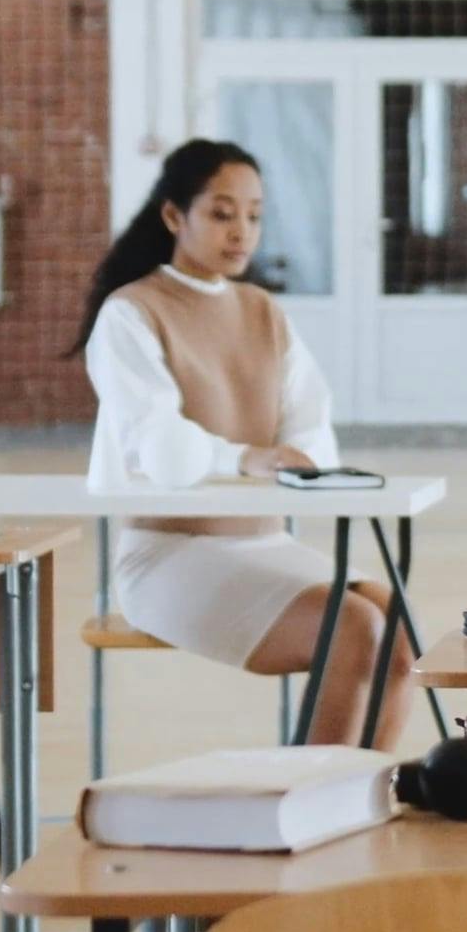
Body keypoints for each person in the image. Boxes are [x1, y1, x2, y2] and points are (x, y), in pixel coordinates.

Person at [73, 138, 411, 747]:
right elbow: (159, 445)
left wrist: (299, 455)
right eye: (222, 213)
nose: (242, 231)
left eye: (254, 214)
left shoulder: (263, 310)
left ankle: (362, 801)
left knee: (400, 630)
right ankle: (309, 811)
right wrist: (245, 458)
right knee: (354, 628)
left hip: (265, 544)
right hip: (168, 555)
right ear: (175, 216)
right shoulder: (131, 312)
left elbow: (309, 423)